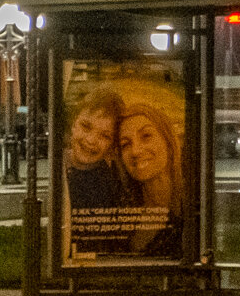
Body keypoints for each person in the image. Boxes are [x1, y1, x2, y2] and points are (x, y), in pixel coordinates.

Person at [116, 106, 186, 257]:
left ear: (167, 140)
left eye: (146, 136)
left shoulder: (191, 201)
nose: (135, 151)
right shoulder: (121, 202)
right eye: (126, 144)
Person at [65, 88, 127, 253]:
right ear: (73, 124)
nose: (91, 140)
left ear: (112, 145)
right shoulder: (57, 165)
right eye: (86, 126)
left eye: (104, 136)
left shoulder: (110, 181)